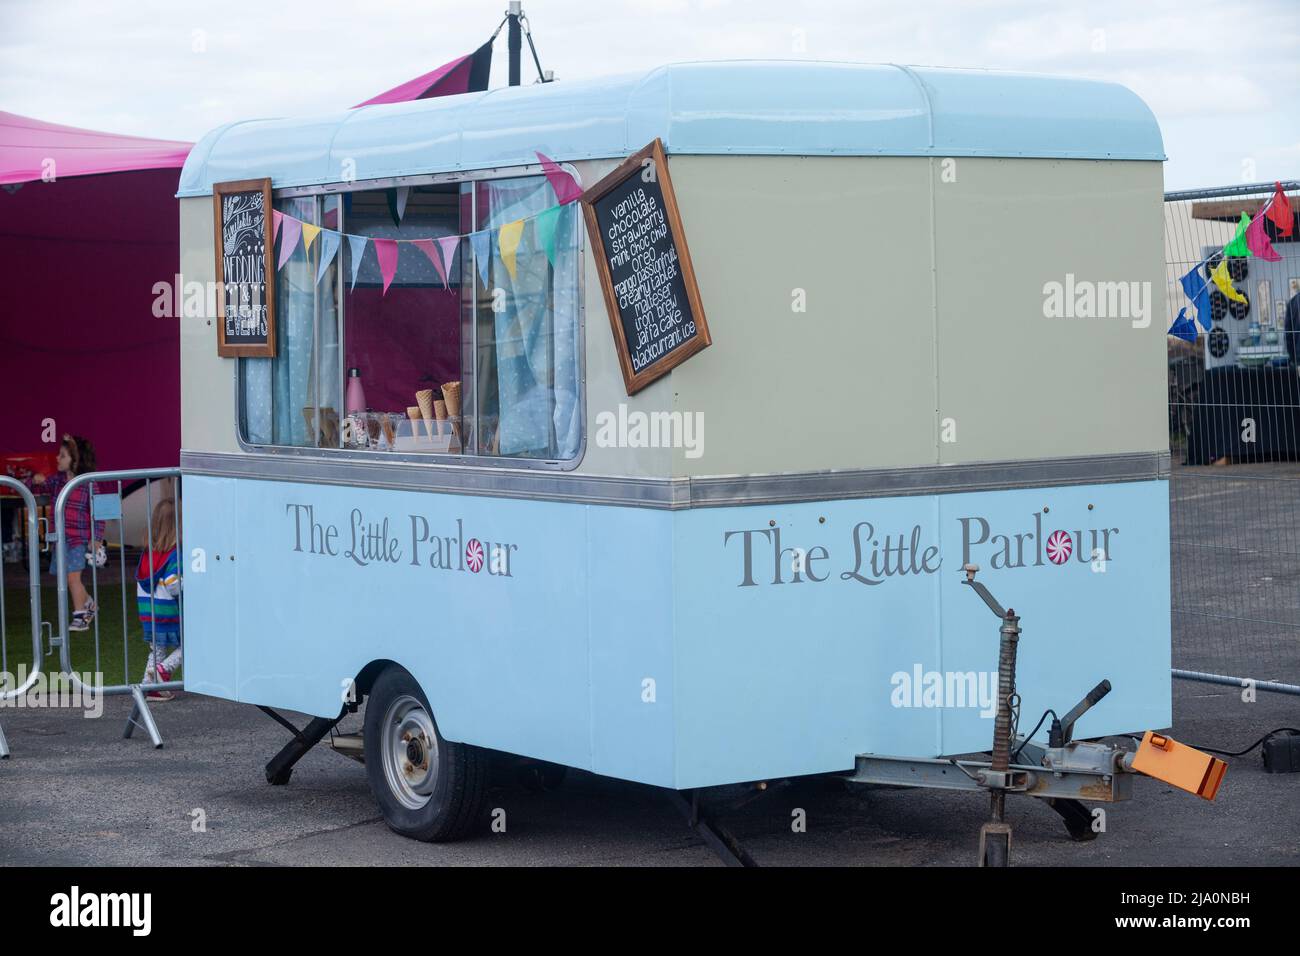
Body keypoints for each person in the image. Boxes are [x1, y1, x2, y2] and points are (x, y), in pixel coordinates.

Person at [25, 435, 104, 631]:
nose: (57, 458)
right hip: (60, 539)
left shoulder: (88, 483)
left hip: (78, 539)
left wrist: (96, 538)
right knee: (65, 577)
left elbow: (99, 513)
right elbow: (36, 487)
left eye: (62, 455)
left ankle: (80, 617)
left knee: (72, 578)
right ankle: (90, 606)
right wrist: (33, 480)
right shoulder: (57, 480)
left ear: (75, 460)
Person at [136, 497, 181, 701]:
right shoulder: (174, 555)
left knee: (157, 649)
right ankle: (164, 671)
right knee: (193, 645)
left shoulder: (148, 554)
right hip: (168, 611)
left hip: (149, 612)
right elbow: (173, 583)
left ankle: (148, 686)